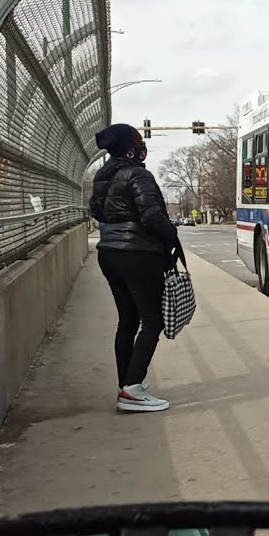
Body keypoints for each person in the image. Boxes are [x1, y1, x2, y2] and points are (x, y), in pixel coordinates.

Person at [90, 123, 179, 412]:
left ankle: (125, 385)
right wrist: (171, 234)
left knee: (127, 319)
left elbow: (96, 210)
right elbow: (152, 217)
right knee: (153, 320)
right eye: (138, 140)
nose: (142, 145)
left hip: (109, 253)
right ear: (129, 148)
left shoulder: (102, 175)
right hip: (138, 254)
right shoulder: (139, 174)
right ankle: (133, 388)